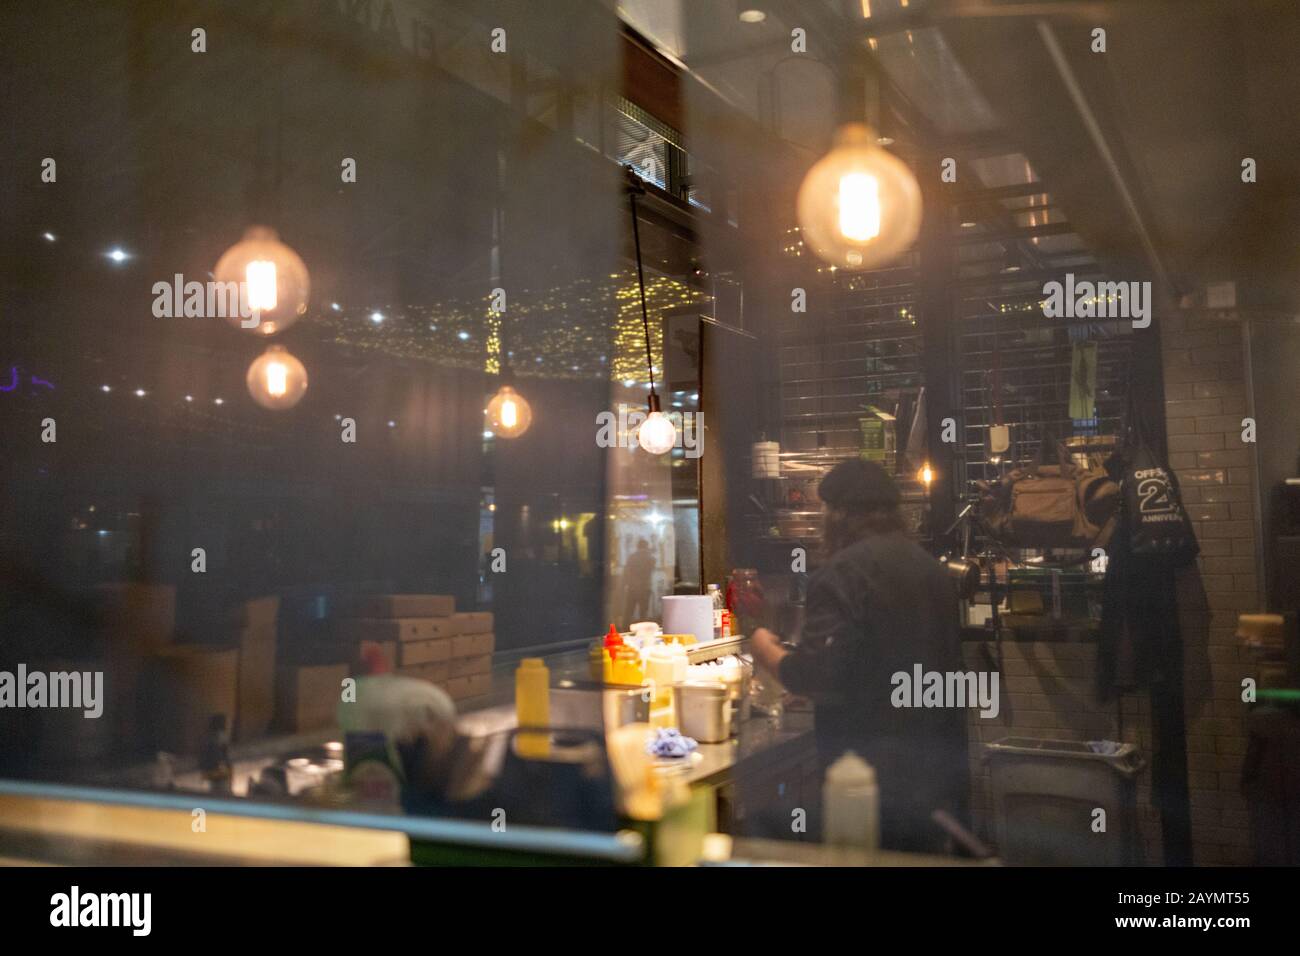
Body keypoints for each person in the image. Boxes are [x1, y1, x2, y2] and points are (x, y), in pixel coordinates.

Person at [750, 459, 970, 853]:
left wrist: (765, 649)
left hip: (868, 778)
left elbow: (816, 673)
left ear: (840, 513)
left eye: (823, 510)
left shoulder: (842, 573)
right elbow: (894, 658)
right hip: (935, 772)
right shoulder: (930, 570)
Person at [622, 538, 655, 622]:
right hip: (645, 587)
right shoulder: (650, 558)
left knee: (629, 610)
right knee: (643, 612)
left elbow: (626, 572)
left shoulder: (632, 557)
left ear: (637, 546)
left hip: (632, 587)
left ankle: (625, 628)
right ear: (646, 546)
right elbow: (651, 569)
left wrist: (624, 585)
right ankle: (642, 630)